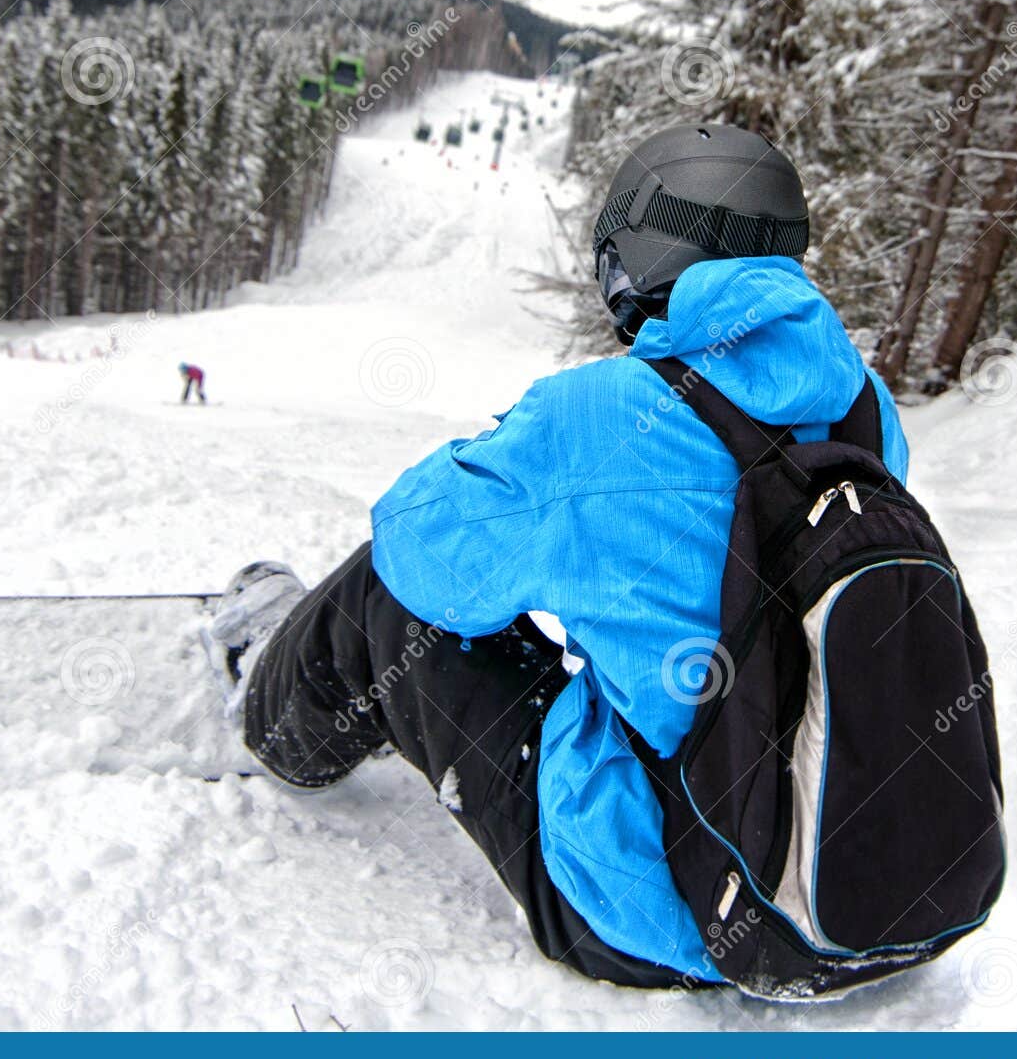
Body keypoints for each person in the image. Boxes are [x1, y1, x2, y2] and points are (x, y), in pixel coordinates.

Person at [207, 125, 927, 992]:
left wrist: (516, 474)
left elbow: (417, 542)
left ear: (660, 247)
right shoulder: (864, 408)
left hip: (658, 912)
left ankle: (269, 713)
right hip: (844, 884)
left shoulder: (606, 412)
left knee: (381, 598)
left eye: (617, 264)